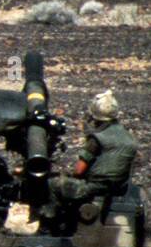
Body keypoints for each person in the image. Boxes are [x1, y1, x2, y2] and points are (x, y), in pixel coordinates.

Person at [50, 90, 138, 221]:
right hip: (119, 187)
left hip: (95, 187)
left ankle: (52, 224)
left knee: (52, 184)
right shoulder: (129, 137)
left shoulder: (97, 138)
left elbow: (79, 171)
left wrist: (66, 175)